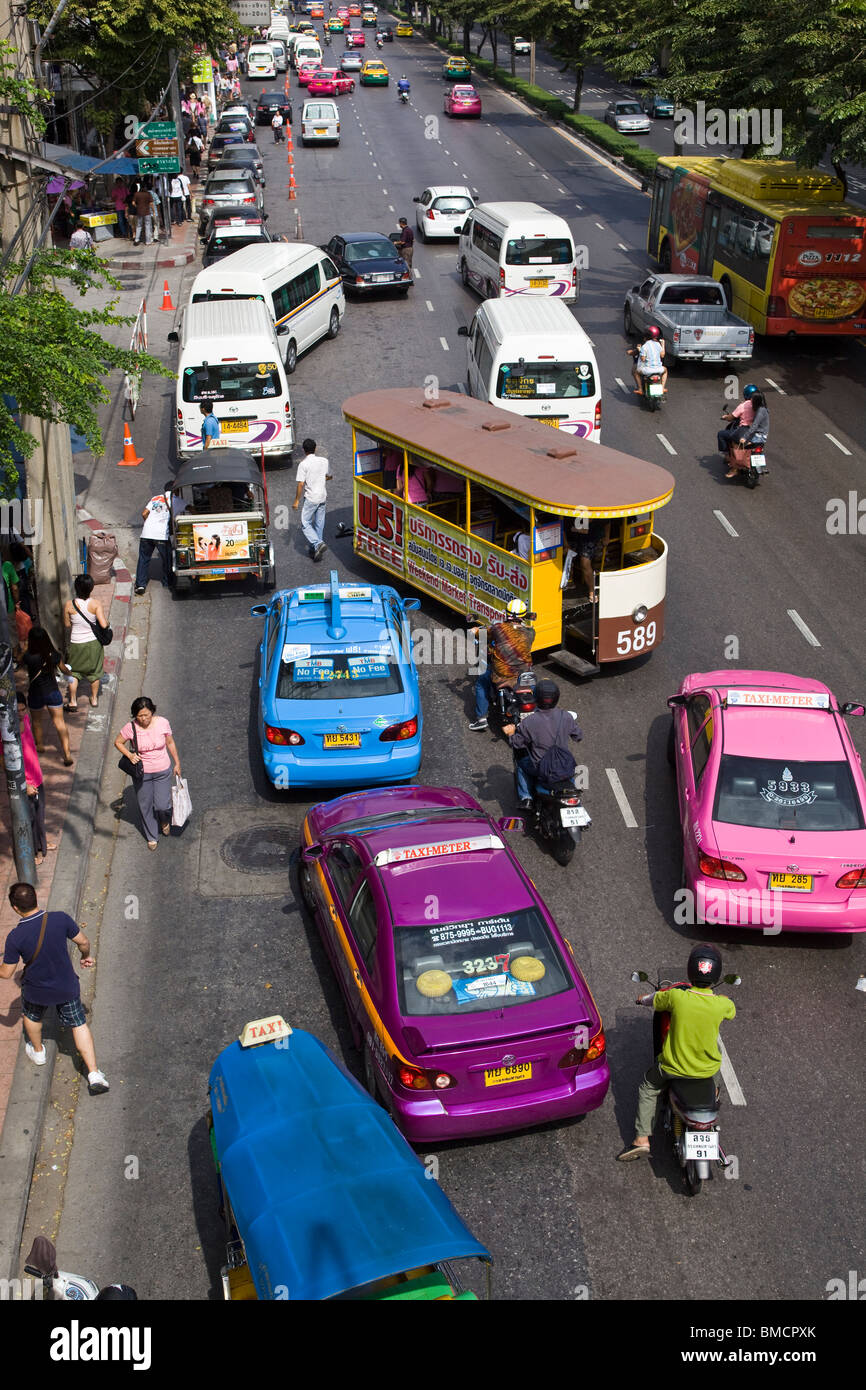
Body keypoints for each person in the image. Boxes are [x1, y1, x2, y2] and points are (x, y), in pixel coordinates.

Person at [617, 943, 735, 1161]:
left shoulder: (676, 998)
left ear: (691, 970)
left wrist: (641, 999)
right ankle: (713, 1095)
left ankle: (642, 1139)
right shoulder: (721, 1005)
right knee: (715, 1066)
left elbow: (654, 1000)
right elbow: (731, 1010)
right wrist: (723, 1001)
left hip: (672, 1068)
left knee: (648, 1087)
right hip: (706, 1071)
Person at [0, 882, 109, 1095]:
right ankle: (94, 1073)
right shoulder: (60, 919)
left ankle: (39, 1051)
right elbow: (84, 942)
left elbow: (6, 973)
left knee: (31, 1016)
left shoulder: (15, 937)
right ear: (35, 899)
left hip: (36, 989)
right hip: (66, 985)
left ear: (15, 908)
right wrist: (86, 957)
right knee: (78, 1024)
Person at [113, 697, 182, 851]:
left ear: (152, 712)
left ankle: (164, 820)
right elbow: (118, 742)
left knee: (162, 805)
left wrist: (177, 763)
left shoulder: (163, 723)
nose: (143, 719)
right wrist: (130, 755)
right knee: (145, 806)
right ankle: (152, 836)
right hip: (142, 773)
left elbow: (170, 743)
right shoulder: (130, 727)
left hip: (163, 769)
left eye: (146, 715)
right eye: (140, 716)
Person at [503, 679, 583, 808]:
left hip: (541, 769)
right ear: (556, 697)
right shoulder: (566, 716)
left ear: (536, 698)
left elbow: (517, 744)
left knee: (521, 764)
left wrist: (511, 733)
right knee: (569, 779)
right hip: (564, 766)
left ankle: (526, 797)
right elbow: (578, 736)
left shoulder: (529, 722)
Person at [469, 598, 535, 732]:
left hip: (503, 675)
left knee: (481, 682)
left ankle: (481, 719)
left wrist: (474, 630)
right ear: (523, 615)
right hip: (524, 673)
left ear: (507, 614)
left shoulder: (498, 628)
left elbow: (481, 635)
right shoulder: (531, 632)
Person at [22, 626, 73, 765]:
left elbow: (21, 659)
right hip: (52, 692)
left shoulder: (29, 657)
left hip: (35, 693)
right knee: (59, 723)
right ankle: (67, 754)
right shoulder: (54, 655)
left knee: (37, 722)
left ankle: (40, 746)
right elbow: (64, 670)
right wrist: (70, 673)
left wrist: (26, 646)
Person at [16, 690, 56, 864]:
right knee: (30, 818)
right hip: (26, 782)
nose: (20, 713)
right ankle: (34, 852)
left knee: (39, 814)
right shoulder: (7, 732)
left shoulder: (25, 719)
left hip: (37, 776)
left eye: (22, 709)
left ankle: (42, 843)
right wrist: (25, 783)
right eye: (16, 710)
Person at [63, 573, 109, 709]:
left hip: (76, 643)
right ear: (91, 588)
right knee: (94, 672)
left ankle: (72, 701)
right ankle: (94, 699)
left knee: (74, 672)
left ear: (76, 588)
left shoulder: (68, 605)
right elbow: (104, 624)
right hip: (93, 643)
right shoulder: (95, 604)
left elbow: (67, 625)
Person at [292, 437, 332, 561]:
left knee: (305, 523)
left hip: (311, 498)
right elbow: (329, 476)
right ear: (315, 448)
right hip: (322, 496)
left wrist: (296, 501)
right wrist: (320, 479)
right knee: (319, 524)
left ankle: (317, 543)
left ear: (304, 450)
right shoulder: (324, 461)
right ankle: (315, 549)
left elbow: (300, 484)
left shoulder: (303, 464)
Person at [135, 484, 173, 594]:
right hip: (161, 535)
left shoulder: (155, 498)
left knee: (143, 559)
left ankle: (140, 585)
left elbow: (144, 513)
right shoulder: (174, 499)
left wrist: (150, 525)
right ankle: (167, 582)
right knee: (167, 559)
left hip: (146, 533)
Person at [562, 517, 611, 602]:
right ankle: (569, 581)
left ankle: (592, 590)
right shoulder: (569, 512)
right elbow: (562, 529)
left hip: (591, 538)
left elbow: (607, 522)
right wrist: (566, 545)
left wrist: (607, 537)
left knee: (584, 562)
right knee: (563, 554)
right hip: (572, 538)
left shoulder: (595, 513)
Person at [726, 390, 770, 477]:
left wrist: (745, 437)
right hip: (762, 436)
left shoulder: (760, 411)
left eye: (752, 399)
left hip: (758, 436)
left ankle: (735, 467)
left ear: (756, 401)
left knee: (736, 440)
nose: (751, 401)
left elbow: (754, 426)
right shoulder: (764, 409)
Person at [717, 382, 758, 459]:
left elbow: (731, 417)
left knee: (721, 434)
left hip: (743, 431)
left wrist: (725, 417)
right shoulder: (759, 405)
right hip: (756, 432)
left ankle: (727, 456)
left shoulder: (743, 405)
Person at [628, 324, 667, 394]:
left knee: (636, 372)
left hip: (648, 370)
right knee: (665, 370)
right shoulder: (658, 344)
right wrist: (663, 344)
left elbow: (643, 359)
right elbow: (662, 355)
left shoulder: (644, 346)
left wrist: (640, 350)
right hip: (659, 369)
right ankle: (663, 388)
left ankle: (640, 389)